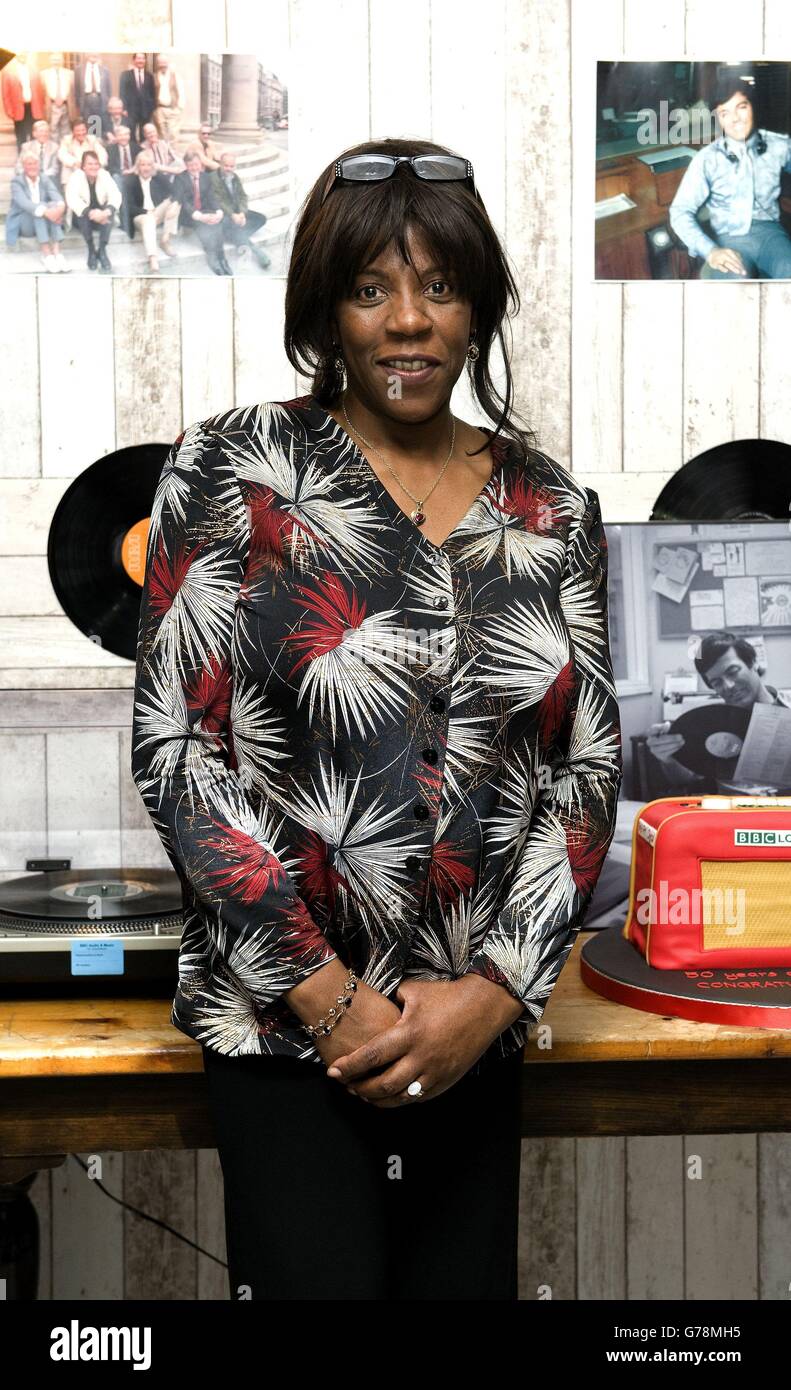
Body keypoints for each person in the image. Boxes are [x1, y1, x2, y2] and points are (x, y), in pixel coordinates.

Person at [130, 137, 622, 1301]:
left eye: (439, 288)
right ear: (326, 307)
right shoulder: (232, 470)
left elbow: (586, 774)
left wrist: (493, 994)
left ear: (477, 307)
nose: (407, 322)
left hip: (470, 1037)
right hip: (283, 1036)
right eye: (370, 288)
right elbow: (178, 751)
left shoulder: (549, 507)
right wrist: (327, 994)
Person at [669, 73, 791, 279]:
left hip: (771, 235)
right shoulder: (706, 159)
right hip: (728, 239)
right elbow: (680, 212)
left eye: (741, 107)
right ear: (718, 119)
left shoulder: (778, 145)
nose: (735, 119)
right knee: (739, 284)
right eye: (725, 113)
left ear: (752, 106)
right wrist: (710, 250)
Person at [647, 630, 790, 790]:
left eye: (733, 671)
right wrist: (668, 758)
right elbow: (685, 780)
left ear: (753, 663)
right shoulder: (708, 723)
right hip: (731, 812)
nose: (728, 686)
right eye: (716, 682)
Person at [6, 152, 68, 270]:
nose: (32, 167)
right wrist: (47, 211)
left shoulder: (44, 178)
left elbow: (55, 195)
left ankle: (57, 253)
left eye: (35, 163)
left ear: (39, 165)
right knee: (41, 208)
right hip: (24, 223)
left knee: (53, 205)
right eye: (29, 164)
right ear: (24, 166)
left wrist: (59, 209)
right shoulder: (17, 182)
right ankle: (46, 254)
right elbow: (25, 203)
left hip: (43, 221)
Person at [210, 150, 271, 268]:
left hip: (237, 212)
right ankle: (257, 252)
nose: (228, 168)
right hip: (222, 214)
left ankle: (233, 234)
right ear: (221, 164)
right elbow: (219, 200)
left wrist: (242, 213)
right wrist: (233, 215)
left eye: (231, 166)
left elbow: (243, 196)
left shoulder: (234, 177)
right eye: (226, 165)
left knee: (261, 219)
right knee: (232, 225)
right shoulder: (213, 178)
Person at [172, 151, 230, 274]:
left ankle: (222, 258)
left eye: (196, 164)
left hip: (204, 209)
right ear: (186, 165)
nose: (194, 167)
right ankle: (213, 258)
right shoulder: (180, 178)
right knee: (205, 227)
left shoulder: (205, 177)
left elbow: (211, 197)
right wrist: (199, 216)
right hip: (189, 215)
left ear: (200, 164)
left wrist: (218, 211)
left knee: (216, 222)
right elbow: (183, 201)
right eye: (190, 165)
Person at [123, 148, 180, 272]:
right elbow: (128, 207)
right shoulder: (130, 181)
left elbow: (176, 192)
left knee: (175, 202)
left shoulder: (157, 177)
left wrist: (174, 205)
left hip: (156, 213)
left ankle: (165, 240)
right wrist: (146, 212)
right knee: (149, 220)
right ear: (138, 166)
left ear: (153, 166)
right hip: (141, 217)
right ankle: (153, 258)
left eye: (149, 165)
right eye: (143, 165)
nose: (146, 168)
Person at [65, 149, 122, 272]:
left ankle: (102, 250)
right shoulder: (76, 177)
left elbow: (115, 195)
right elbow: (72, 198)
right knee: (82, 214)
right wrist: (90, 213)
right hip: (82, 218)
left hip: (101, 217)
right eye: (90, 164)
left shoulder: (104, 175)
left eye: (96, 164)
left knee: (109, 213)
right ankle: (91, 250)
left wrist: (105, 212)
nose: (94, 167)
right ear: (83, 166)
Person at [1, 52, 45, 149]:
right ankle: (22, 159)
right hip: (18, 109)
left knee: (34, 134)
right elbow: (5, 94)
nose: (22, 55)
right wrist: (9, 111)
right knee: (21, 136)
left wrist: (42, 106)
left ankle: (35, 157)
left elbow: (41, 90)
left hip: (34, 107)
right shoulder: (9, 71)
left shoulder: (34, 69)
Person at [119, 53, 156, 144]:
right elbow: (122, 93)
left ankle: (143, 152)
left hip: (145, 111)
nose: (140, 61)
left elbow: (153, 94)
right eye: (138, 58)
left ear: (145, 61)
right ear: (134, 60)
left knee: (144, 135)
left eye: (143, 59)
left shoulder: (149, 76)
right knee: (131, 134)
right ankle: (132, 152)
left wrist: (151, 109)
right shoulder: (125, 75)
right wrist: (124, 108)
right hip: (130, 110)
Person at [151, 54, 184, 143]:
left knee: (173, 135)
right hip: (159, 109)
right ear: (157, 64)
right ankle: (163, 155)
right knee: (161, 136)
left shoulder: (175, 76)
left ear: (168, 63)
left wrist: (179, 108)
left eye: (164, 63)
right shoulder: (154, 76)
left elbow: (181, 92)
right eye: (160, 63)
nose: (162, 65)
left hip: (172, 109)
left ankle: (172, 155)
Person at [18, 120, 62, 185]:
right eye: (41, 131)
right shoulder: (26, 147)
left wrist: (40, 177)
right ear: (34, 133)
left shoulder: (54, 147)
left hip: (48, 179)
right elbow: (19, 166)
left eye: (46, 131)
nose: (44, 134)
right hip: (29, 179)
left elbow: (54, 168)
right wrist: (30, 176)